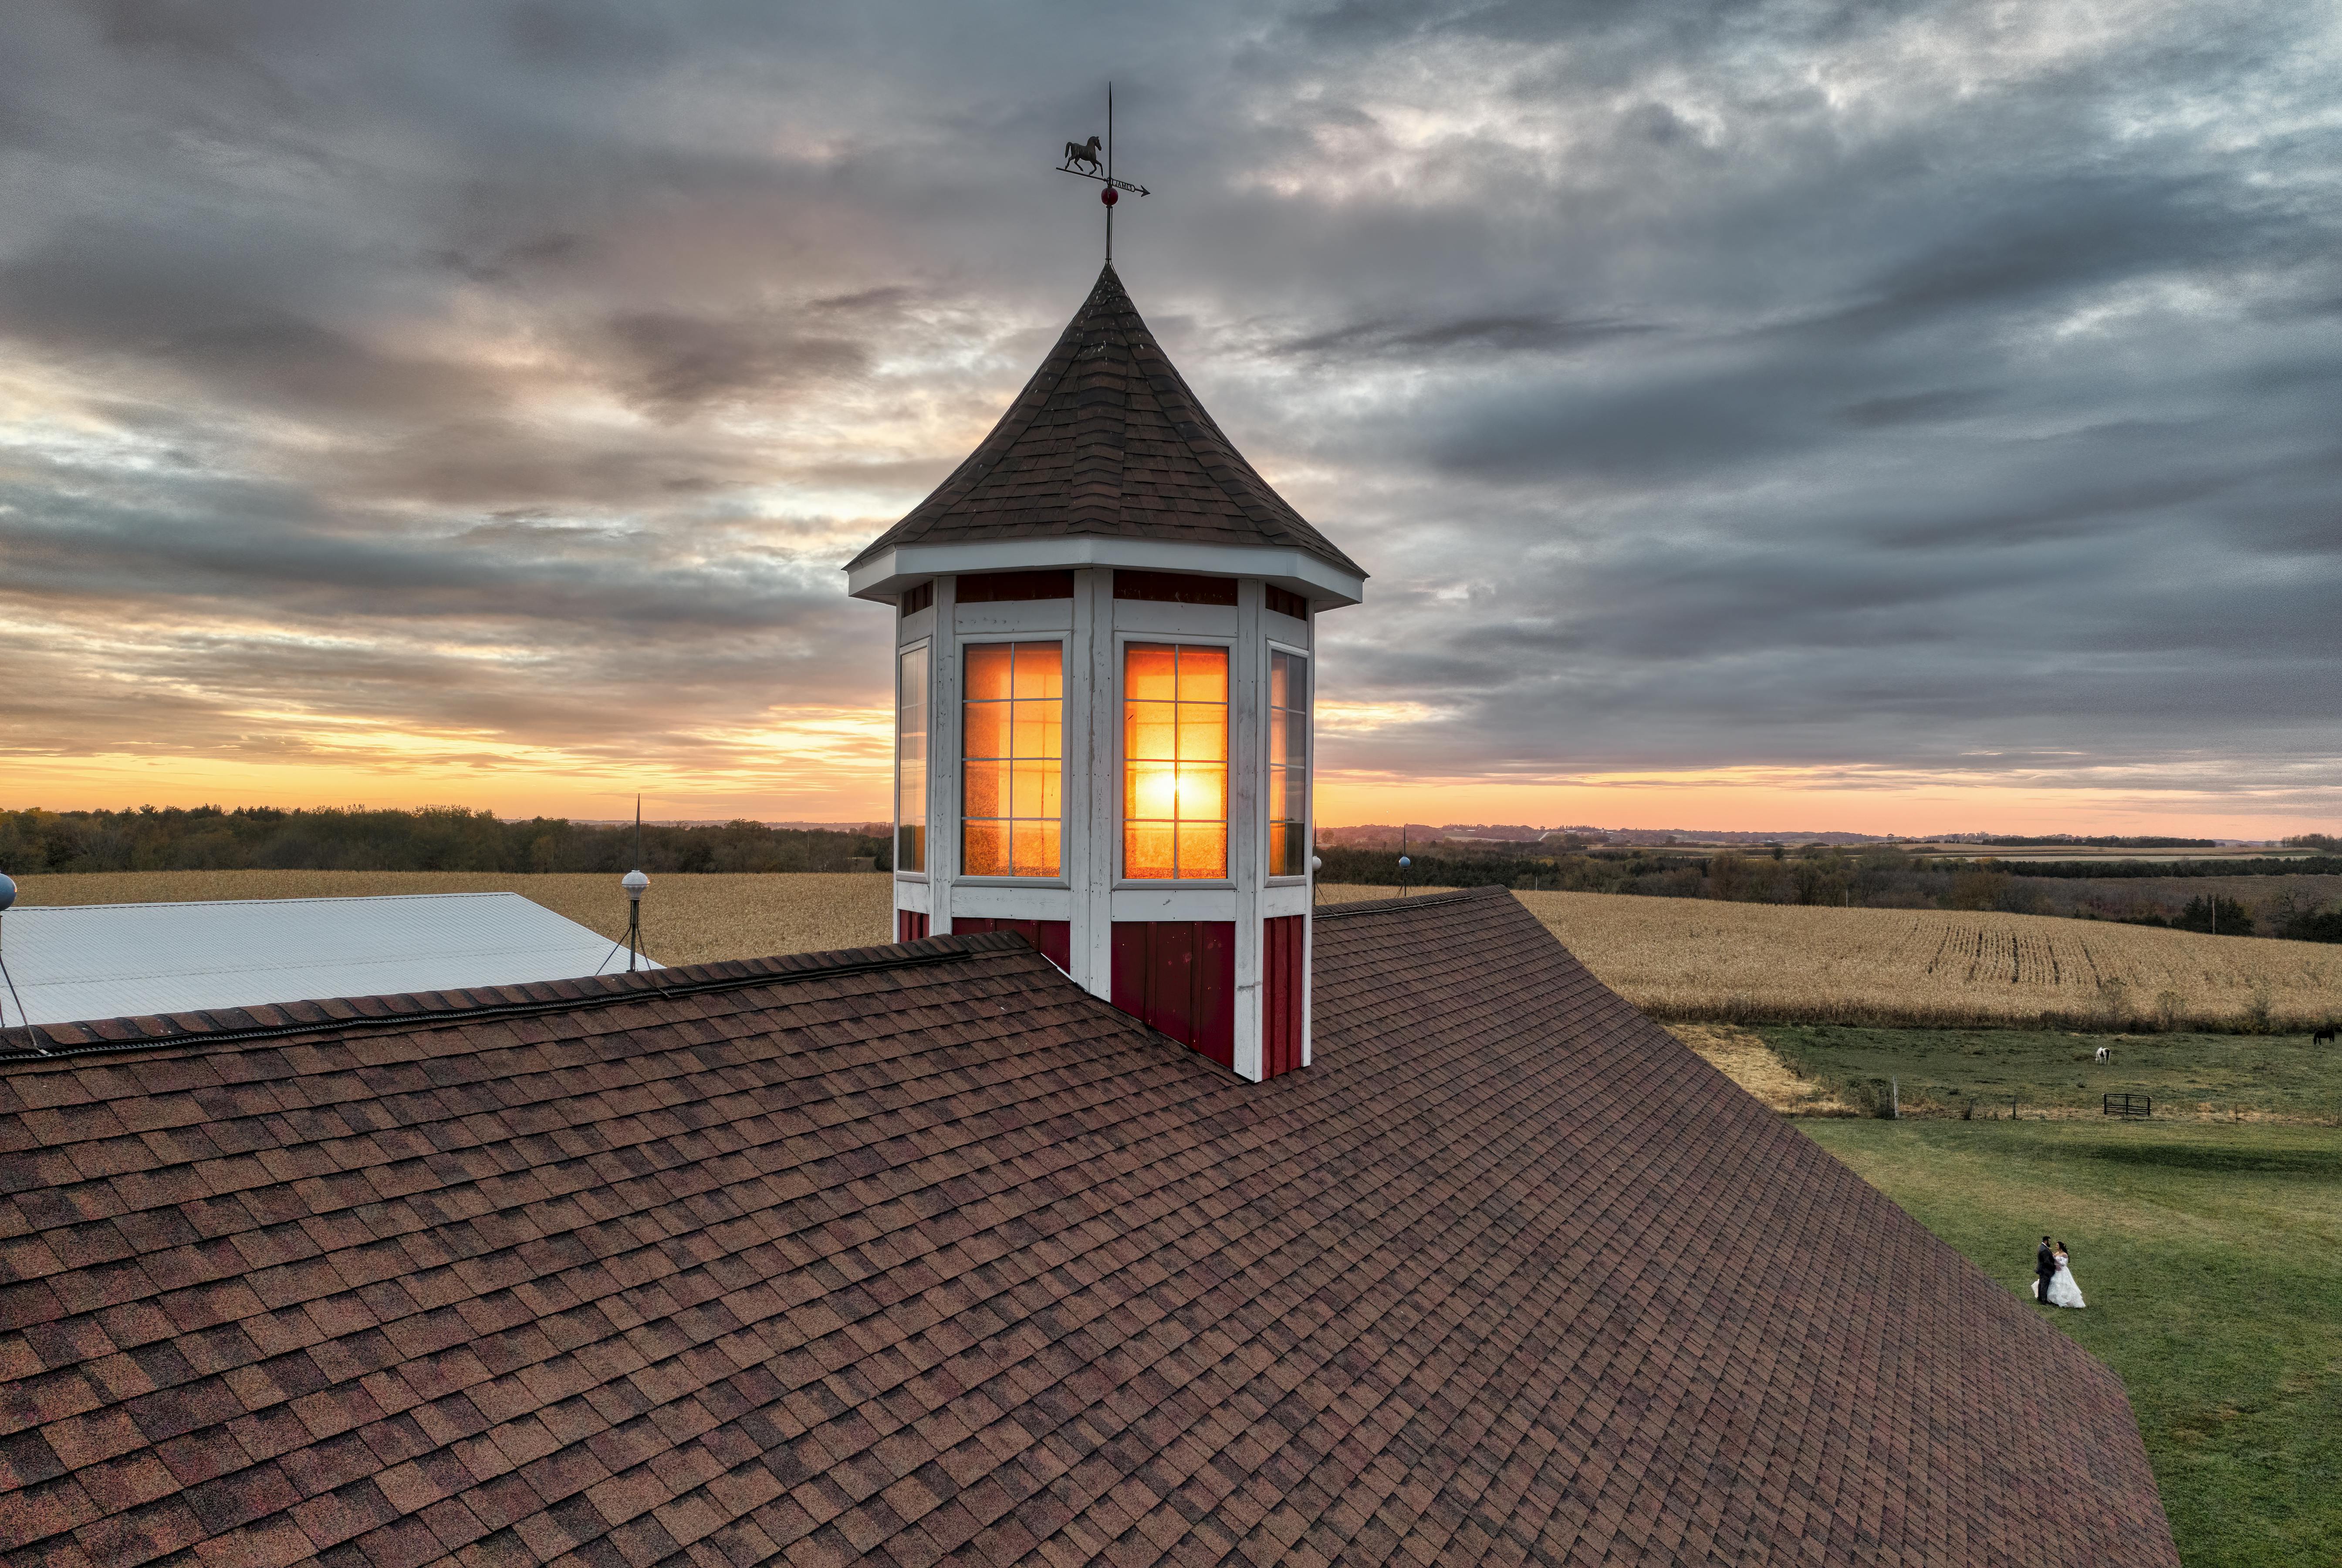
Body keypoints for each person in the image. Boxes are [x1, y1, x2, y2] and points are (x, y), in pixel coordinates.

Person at [2047, 1243, 2086, 1308]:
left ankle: (2065, 1300)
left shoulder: (2064, 1254)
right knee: (2056, 1284)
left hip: (2062, 1271)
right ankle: (2055, 1300)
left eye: (2057, 1245)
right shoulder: (2057, 1253)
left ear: (2061, 1247)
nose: (2056, 1246)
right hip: (2056, 1271)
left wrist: (2055, 1258)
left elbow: (2064, 1264)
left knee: (2063, 1284)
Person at [2034, 1236, 2057, 1304]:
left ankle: (2040, 1297)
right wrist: (2054, 1266)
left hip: (2042, 1269)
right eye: (2049, 1241)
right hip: (2046, 1270)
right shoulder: (2045, 1250)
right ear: (2046, 1241)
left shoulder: (2042, 1247)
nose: (2050, 1243)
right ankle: (2044, 1300)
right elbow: (2047, 1261)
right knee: (2044, 1285)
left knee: (2041, 1283)